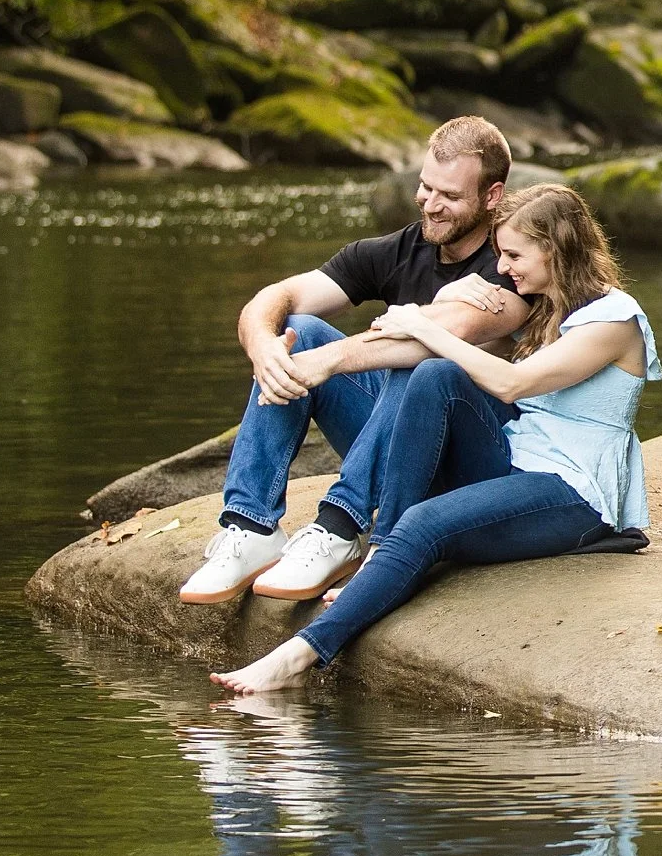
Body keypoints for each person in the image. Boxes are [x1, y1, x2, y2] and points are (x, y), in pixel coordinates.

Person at [211, 184, 660, 694]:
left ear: (555, 250)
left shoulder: (613, 319)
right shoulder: (545, 305)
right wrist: (447, 298)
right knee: (434, 377)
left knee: (425, 521)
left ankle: (298, 656)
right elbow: (466, 355)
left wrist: (422, 325)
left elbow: (513, 383)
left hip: (576, 494)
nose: (505, 269)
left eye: (514, 256)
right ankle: (381, 549)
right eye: (500, 255)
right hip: (515, 460)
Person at [180, 117, 528, 605]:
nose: (430, 203)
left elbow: (453, 332)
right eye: (424, 187)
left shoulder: (515, 262)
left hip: (471, 463)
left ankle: (341, 527)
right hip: (397, 450)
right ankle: (251, 527)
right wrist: (264, 347)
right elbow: (281, 294)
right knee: (296, 334)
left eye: (448, 195)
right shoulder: (402, 249)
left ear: (492, 196)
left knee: (421, 361)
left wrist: (333, 360)